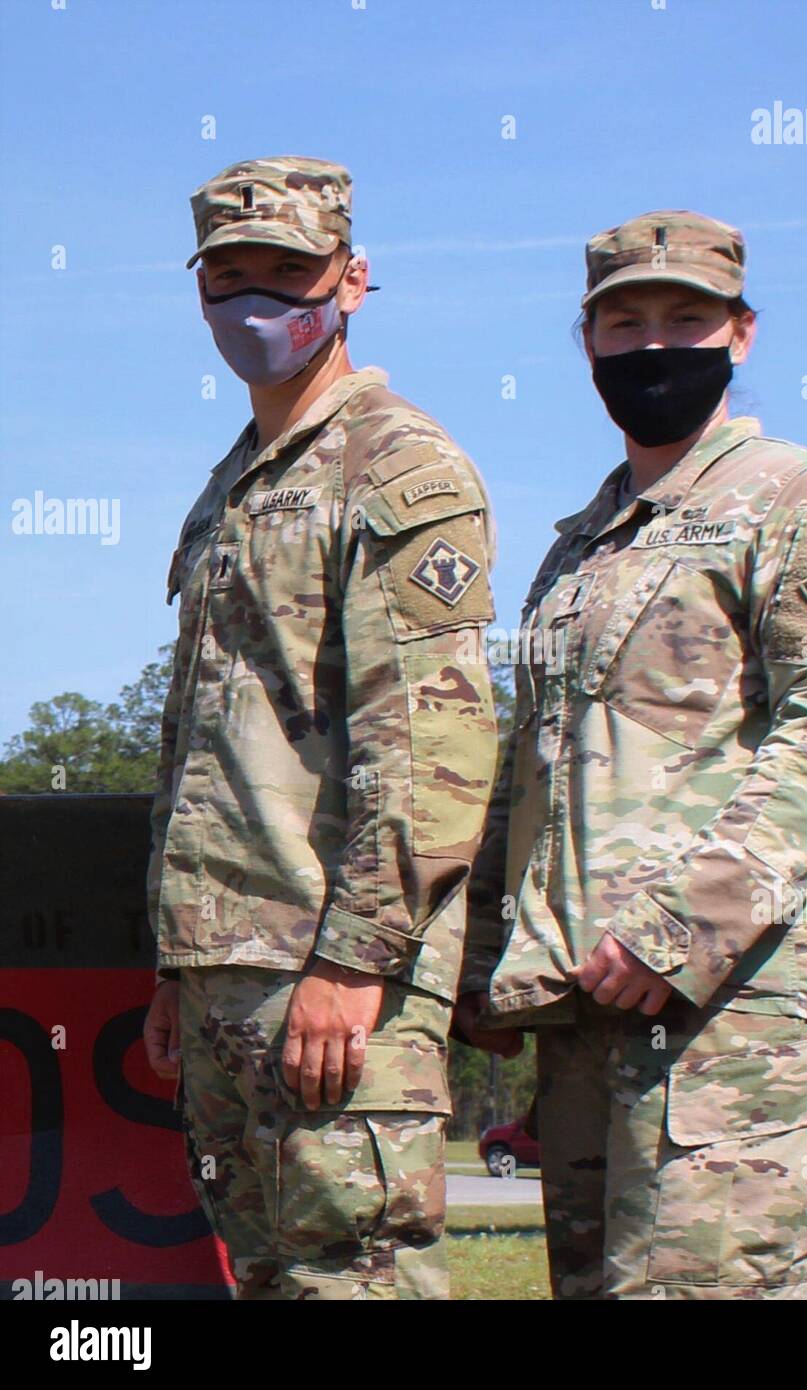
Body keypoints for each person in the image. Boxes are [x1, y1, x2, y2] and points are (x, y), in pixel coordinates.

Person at [457, 210, 807, 1300]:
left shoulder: (799, 499)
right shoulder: (578, 544)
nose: (653, 344)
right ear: (587, 343)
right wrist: (481, 963)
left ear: (739, 334)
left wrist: (680, 927)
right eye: (625, 322)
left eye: (684, 318)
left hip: (739, 1032)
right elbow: (535, 772)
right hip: (587, 1029)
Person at [142, 155, 499, 1300]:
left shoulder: (397, 465)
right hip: (225, 967)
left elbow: (432, 745)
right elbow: (197, 740)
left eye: (286, 275)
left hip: (331, 970)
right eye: (229, 277)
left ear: (351, 279)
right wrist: (177, 958)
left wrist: (354, 960)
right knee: (264, 1276)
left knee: (355, 1273)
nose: (256, 305)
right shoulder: (232, 485)